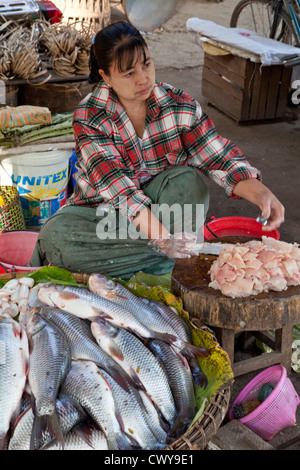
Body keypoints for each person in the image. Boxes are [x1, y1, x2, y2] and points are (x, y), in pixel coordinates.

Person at [30, 20, 285, 279]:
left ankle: (147, 261)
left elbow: (218, 157)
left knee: (188, 183)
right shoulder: (91, 116)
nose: (143, 79)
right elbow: (122, 192)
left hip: (163, 216)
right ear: (105, 76)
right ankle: (168, 261)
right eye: (129, 73)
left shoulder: (179, 105)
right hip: (103, 219)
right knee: (57, 238)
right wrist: (164, 242)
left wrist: (262, 194)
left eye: (147, 65)